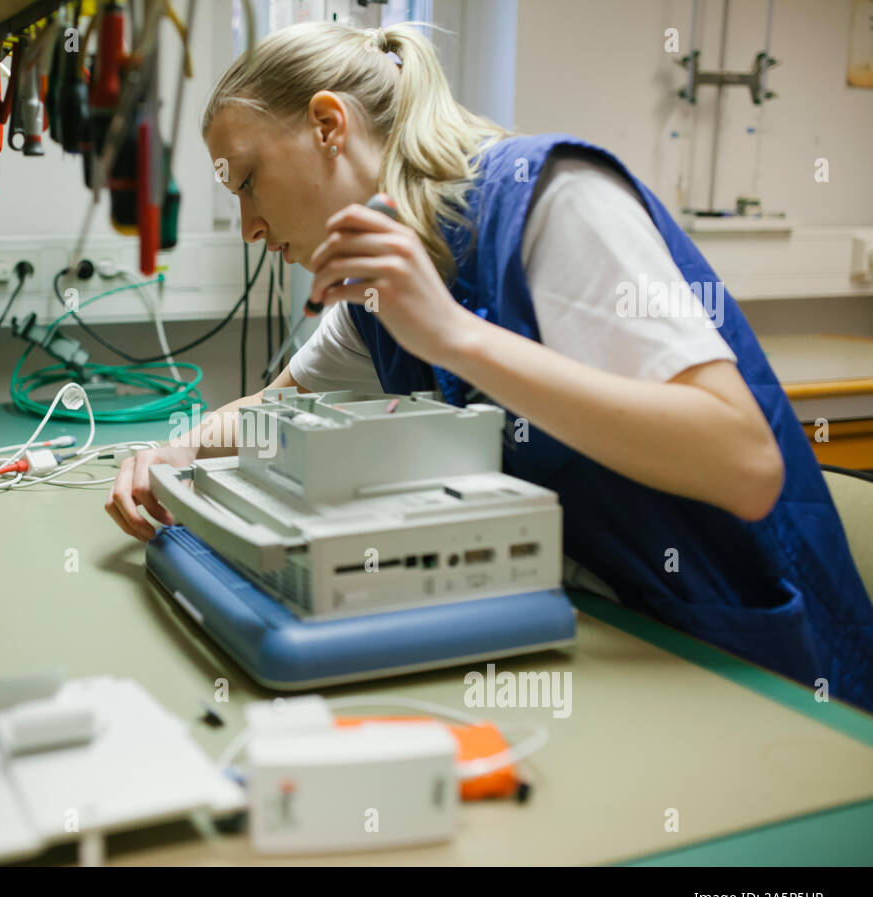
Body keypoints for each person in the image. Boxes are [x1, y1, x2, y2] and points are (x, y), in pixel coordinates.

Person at [104, 20, 873, 711]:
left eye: (246, 181)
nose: (247, 226)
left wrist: (453, 336)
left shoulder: (551, 204)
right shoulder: (376, 296)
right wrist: (179, 450)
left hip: (758, 662)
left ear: (328, 125)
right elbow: (273, 410)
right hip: (613, 639)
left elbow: (743, 462)